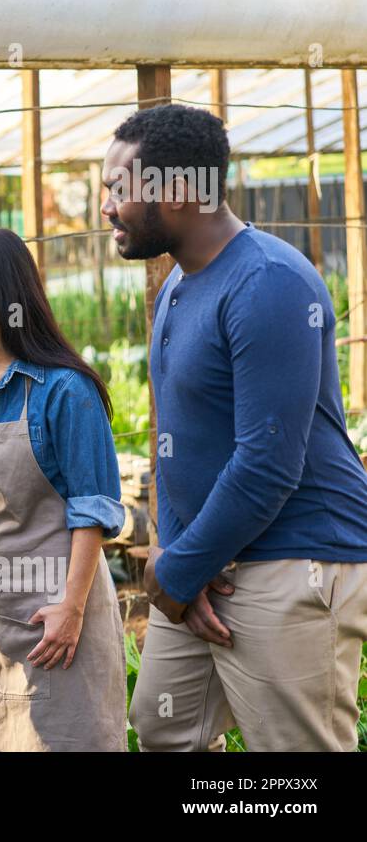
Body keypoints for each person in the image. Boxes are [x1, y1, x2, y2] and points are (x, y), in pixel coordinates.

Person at [105, 103, 367, 751]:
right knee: (167, 727)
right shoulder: (178, 286)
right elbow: (178, 442)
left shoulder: (269, 282)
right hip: (207, 563)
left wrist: (178, 568)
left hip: (293, 556)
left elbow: (267, 461)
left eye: (119, 188)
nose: (107, 206)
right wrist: (179, 553)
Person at [0, 226, 127, 752]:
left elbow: (94, 509)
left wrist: (72, 609)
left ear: (4, 295)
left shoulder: (64, 389)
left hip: (57, 617)